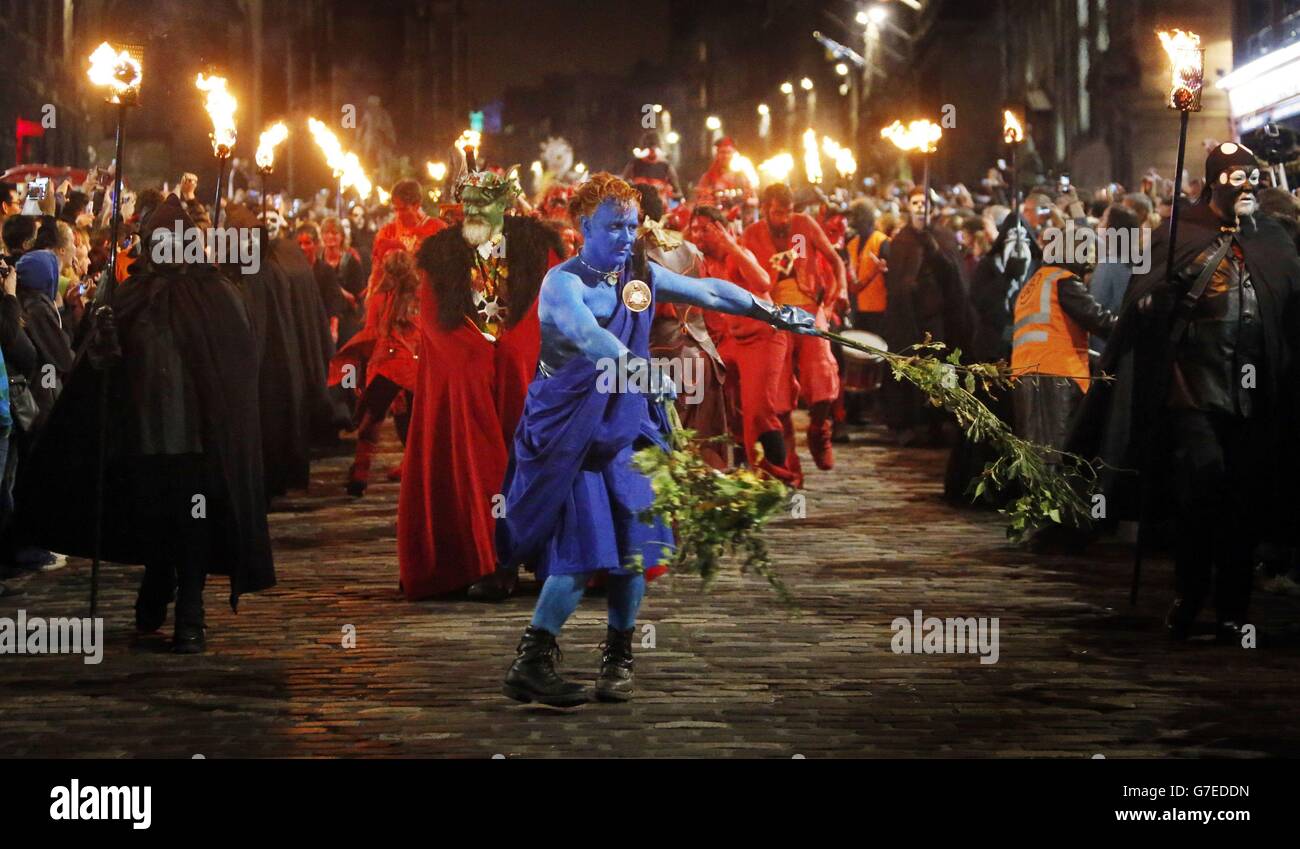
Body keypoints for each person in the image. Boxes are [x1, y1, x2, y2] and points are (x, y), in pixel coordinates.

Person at [495, 173, 815, 707]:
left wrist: (774, 312)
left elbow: (710, 291)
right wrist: (638, 372)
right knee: (582, 549)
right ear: (582, 226)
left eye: (631, 225)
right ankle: (532, 659)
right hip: (574, 437)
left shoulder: (637, 275)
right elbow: (591, 339)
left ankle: (618, 657)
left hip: (627, 431)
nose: (625, 237)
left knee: (635, 549)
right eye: (613, 227)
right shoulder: (563, 284)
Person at [17, 195, 274, 653]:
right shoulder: (128, 294)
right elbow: (96, 367)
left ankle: (190, 614)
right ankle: (157, 587)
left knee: (194, 524)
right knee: (156, 519)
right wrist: (105, 344)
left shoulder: (217, 294)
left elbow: (240, 363)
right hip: (143, 435)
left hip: (198, 439)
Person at [1069, 142, 1300, 644]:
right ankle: (1191, 591)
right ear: (1216, 181)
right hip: (1193, 389)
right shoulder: (1180, 236)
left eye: (1254, 178)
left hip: (1254, 393)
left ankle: (1233, 610)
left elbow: (1289, 307)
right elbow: (1142, 305)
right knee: (1204, 484)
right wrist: (1157, 300)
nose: (1249, 188)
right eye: (1238, 178)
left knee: (1243, 500)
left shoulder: (1273, 240)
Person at [398, 166, 561, 602]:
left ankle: (548, 557)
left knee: (537, 462)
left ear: (504, 205)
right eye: (466, 203)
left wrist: (513, 351)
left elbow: (552, 301)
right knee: (481, 467)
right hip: (468, 377)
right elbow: (434, 318)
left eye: (481, 203)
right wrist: (474, 356)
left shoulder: (536, 249)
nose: (471, 211)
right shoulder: (440, 254)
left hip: (525, 373)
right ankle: (489, 560)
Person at [742, 183, 845, 472]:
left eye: (787, 212)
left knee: (822, 372)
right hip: (773, 316)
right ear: (765, 210)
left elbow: (836, 261)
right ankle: (788, 459)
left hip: (810, 309)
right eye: (777, 213)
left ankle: (818, 431)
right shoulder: (750, 235)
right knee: (778, 391)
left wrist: (842, 292)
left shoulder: (804, 224)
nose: (784, 219)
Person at [1009, 209, 1116, 456]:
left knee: (1034, 452)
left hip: (1027, 374)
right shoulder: (1064, 281)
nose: (1090, 263)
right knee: (1055, 452)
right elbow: (1098, 320)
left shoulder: (1036, 281)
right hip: (1054, 377)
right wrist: (1131, 323)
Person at [330, 249, 421, 497]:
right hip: (415, 367)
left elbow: (372, 333)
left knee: (372, 417)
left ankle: (360, 471)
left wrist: (356, 361)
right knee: (410, 420)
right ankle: (414, 472)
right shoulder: (420, 296)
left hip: (388, 365)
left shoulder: (380, 297)